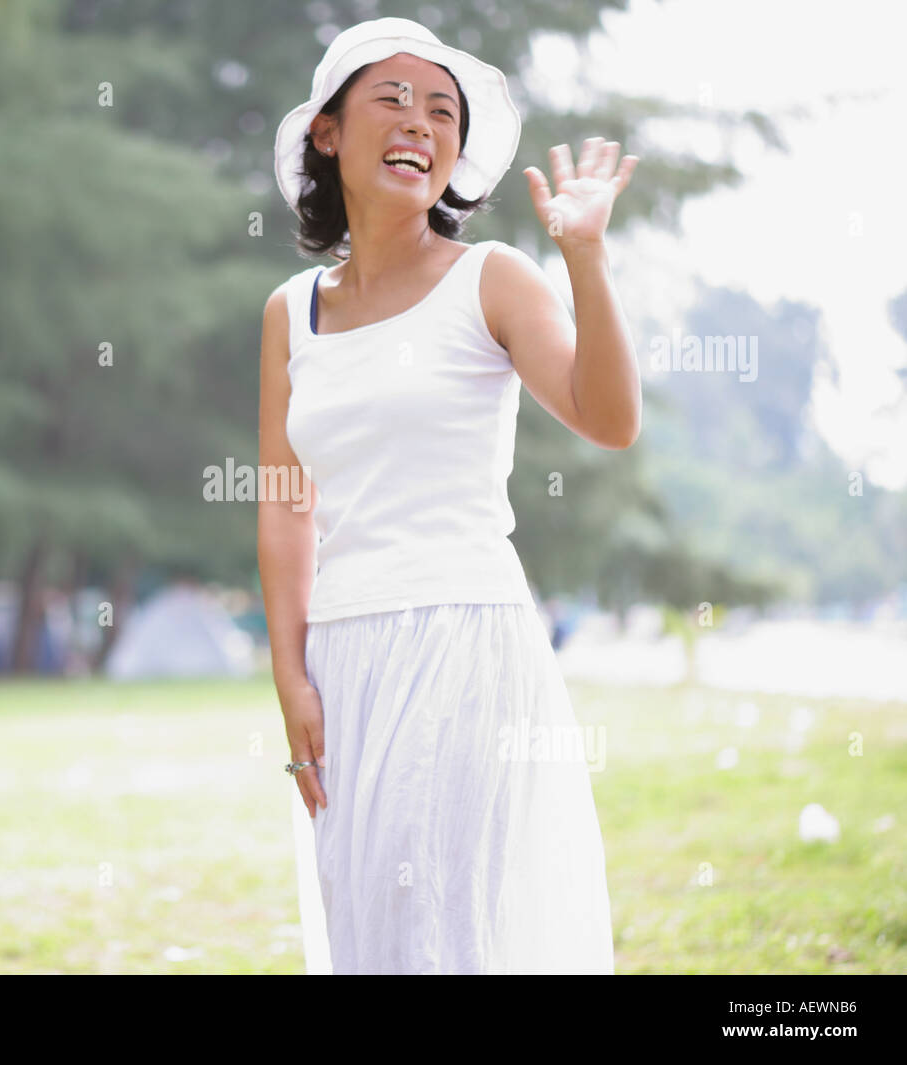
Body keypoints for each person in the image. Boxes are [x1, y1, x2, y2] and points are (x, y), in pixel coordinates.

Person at [256, 17, 640, 974]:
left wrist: (585, 260)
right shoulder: (289, 313)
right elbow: (281, 502)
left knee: (452, 930)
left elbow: (608, 415)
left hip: (467, 638)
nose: (419, 123)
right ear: (329, 133)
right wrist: (290, 673)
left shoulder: (492, 279)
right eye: (391, 98)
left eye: (442, 112)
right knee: (371, 936)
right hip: (344, 656)